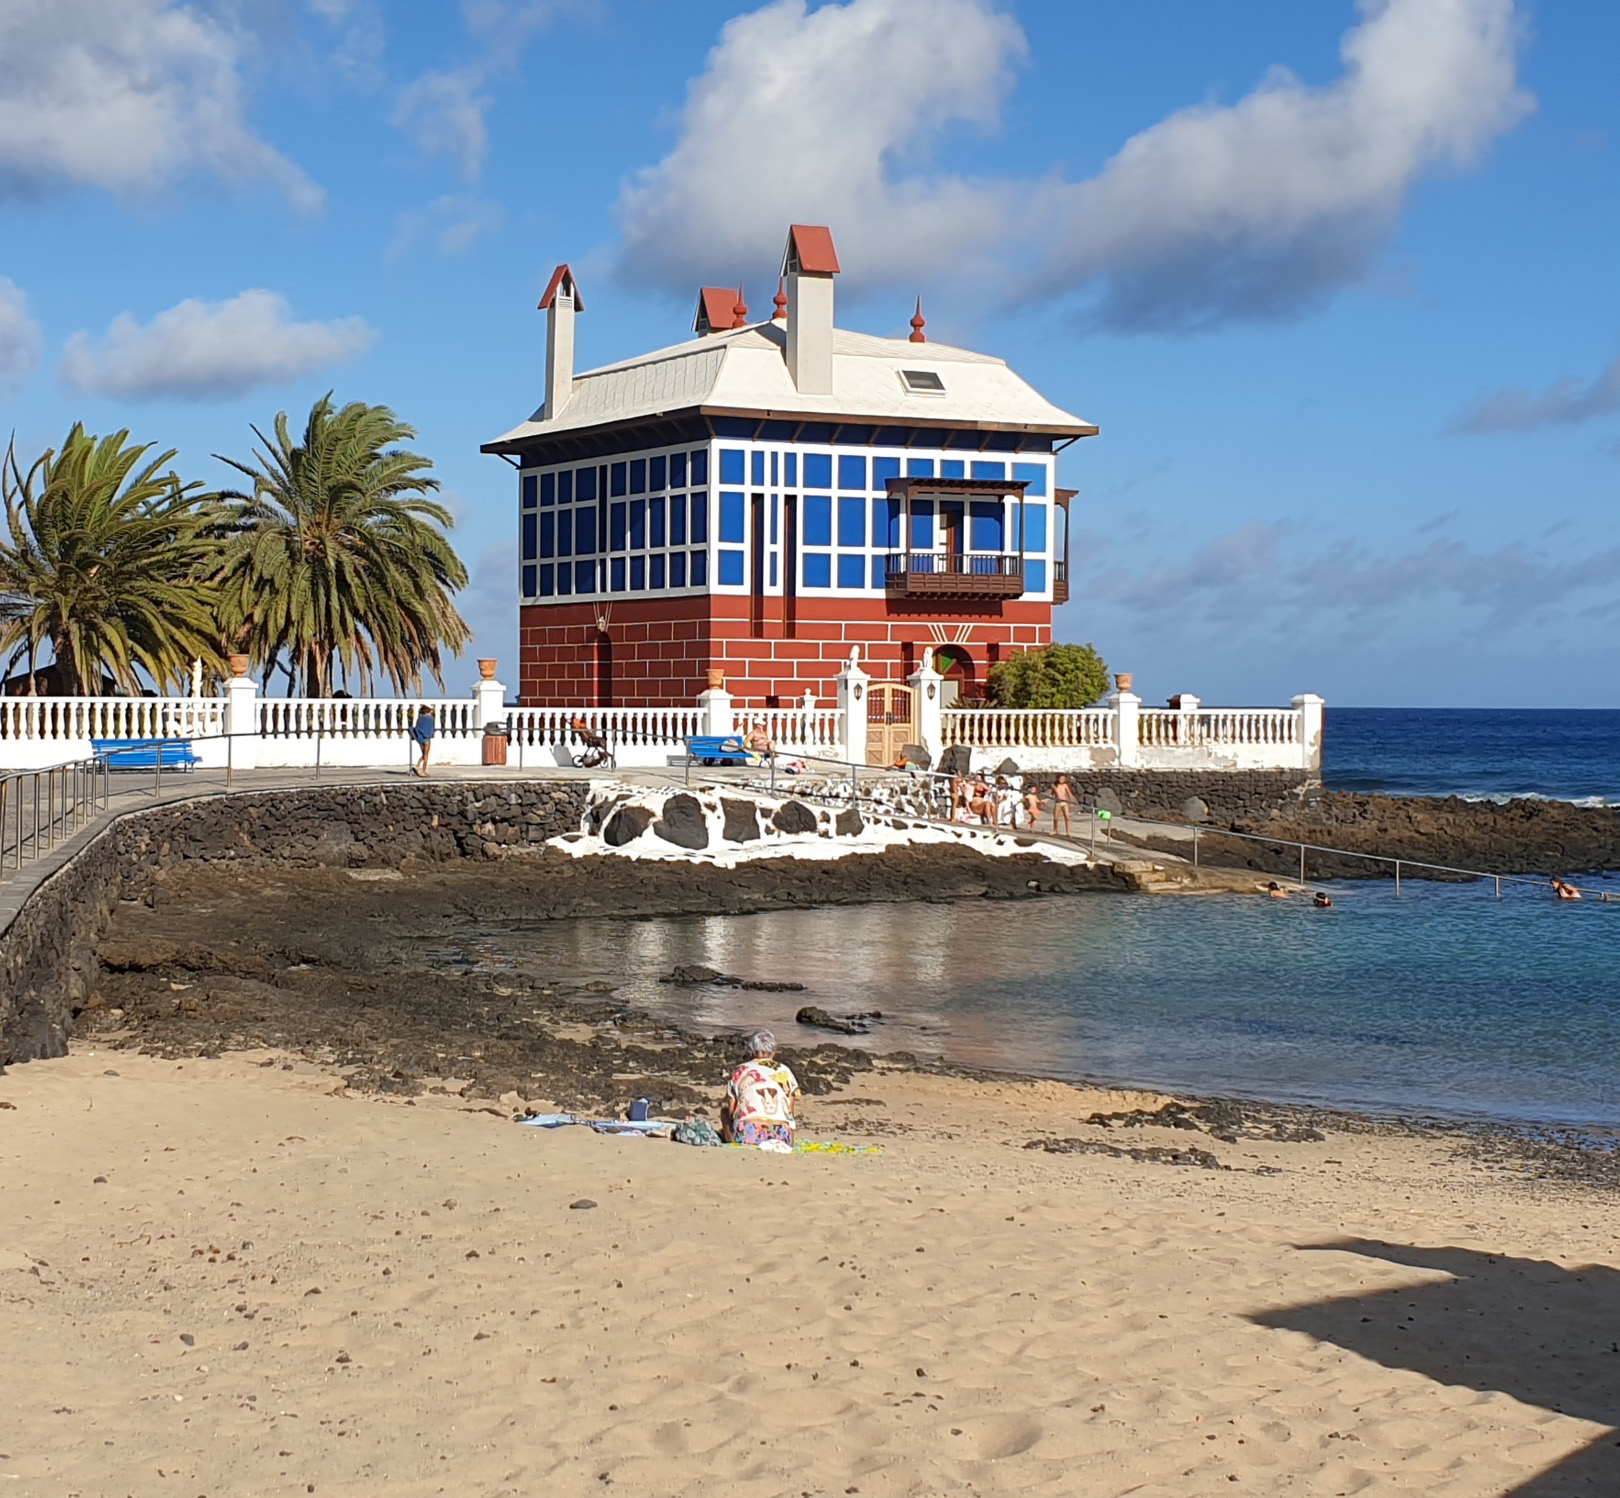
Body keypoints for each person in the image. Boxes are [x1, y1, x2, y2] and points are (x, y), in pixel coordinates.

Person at [722, 1030, 801, 1152]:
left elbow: (732, 1111)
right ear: (773, 1052)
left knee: (724, 1110)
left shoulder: (740, 1070)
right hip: (781, 1135)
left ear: (751, 1051)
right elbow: (790, 1111)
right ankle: (788, 1141)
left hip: (749, 1132)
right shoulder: (785, 1071)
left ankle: (732, 1137)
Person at [410, 706, 435, 776]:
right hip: (427, 738)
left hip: (420, 738)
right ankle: (423, 770)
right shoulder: (430, 719)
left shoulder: (420, 719)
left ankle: (418, 766)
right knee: (426, 755)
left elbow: (418, 728)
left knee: (424, 754)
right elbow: (430, 729)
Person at [1052, 773, 1074, 837]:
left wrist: (1071, 802)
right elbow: (1052, 794)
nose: (1061, 780)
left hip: (1064, 802)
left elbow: (1069, 794)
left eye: (1063, 779)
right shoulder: (1055, 785)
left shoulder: (1065, 785)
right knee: (1056, 818)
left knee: (1067, 817)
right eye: (1060, 778)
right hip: (1058, 803)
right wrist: (1046, 800)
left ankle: (1068, 832)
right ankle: (1055, 830)